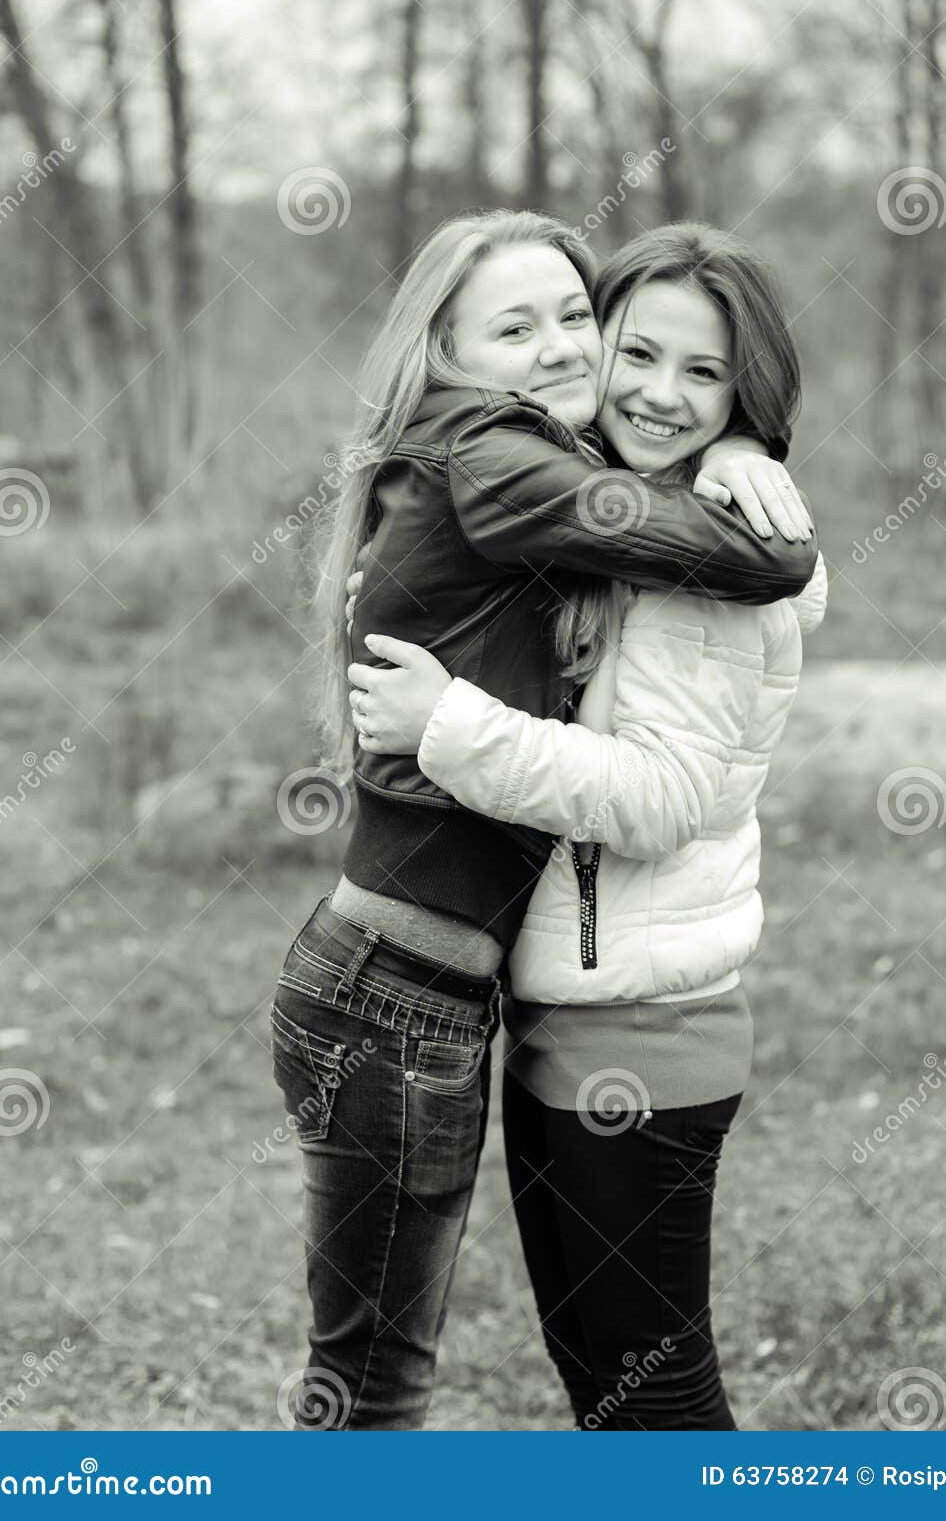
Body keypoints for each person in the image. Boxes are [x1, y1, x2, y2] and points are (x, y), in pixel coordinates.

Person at [270, 209, 816, 1430]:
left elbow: (665, 794)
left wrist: (450, 722)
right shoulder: (532, 480)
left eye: (704, 371)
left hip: (623, 1026)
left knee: (631, 1399)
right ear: (455, 354)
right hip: (446, 994)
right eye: (635, 349)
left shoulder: (670, 552)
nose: (633, 380)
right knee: (538, 1394)